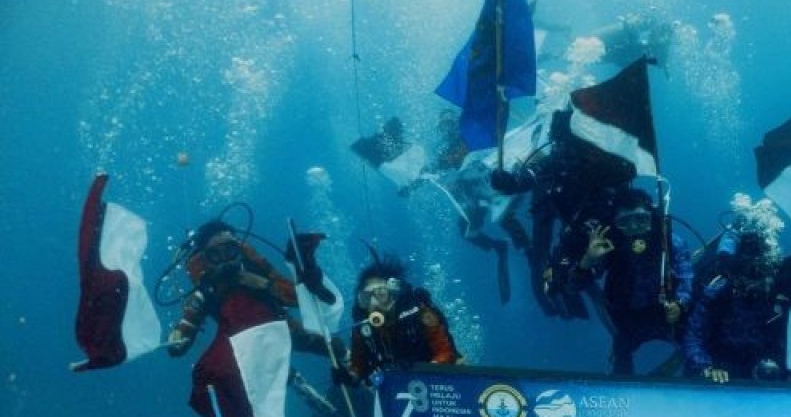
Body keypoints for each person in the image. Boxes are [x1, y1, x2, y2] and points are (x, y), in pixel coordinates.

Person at [350, 115, 531, 304]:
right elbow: (429, 171)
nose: (446, 129)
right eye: (442, 126)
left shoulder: (472, 137)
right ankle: (498, 246)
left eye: (448, 123)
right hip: (470, 198)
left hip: (490, 188)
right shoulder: (444, 150)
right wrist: (410, 186)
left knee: (503, 215)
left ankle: (526, 248)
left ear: (455, 123)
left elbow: (491, 151)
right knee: (467, 231)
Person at [490, 107, 639, 318]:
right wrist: (508, 182)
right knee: (556, 269)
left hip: (596, 221)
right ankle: (562, 300)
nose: (589, 148)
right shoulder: (563, 157)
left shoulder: (611, 161)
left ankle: (618, 317)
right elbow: (530, 176)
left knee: (613, 264)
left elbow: (628, 193)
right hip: (569, 219)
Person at [552, 185, 692, 374]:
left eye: (641, 219)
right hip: (627, 318)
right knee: (622, 356)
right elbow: (574, 288)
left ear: (652, 218)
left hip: (668, 316)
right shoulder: (609, 246)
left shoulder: (671, 242)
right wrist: (587, 260)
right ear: (615, 224)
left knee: (694, 346)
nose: (634, 228)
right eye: (625, 222)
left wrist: (680, 304)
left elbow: (686, 277)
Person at [166, 220, 334, 359]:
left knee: (306, 340)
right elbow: (188, 323)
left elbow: (299, 299)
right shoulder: (206, 288)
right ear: (206, 259)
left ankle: (346, 358)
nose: (225, 261)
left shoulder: (254, 266)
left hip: (277, 326)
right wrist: (179, 337)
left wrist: (266, 285)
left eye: (230, 251)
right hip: (240, 343)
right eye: (215, 255)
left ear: (238, 250)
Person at [683, 196, 791, 384]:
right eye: (748, 274)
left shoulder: (775, 297)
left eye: (760, 274)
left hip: (756, 368)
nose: (754, 283)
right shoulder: (717, 292)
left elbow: (785, 338)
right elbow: (694, 335)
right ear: (735, 273)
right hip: (718, 364)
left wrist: (780, 366)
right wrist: (705, 368)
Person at [334, 253, 461, 386]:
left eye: (381, 294)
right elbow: (359, 366)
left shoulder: (420, 313)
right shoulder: (363, 329)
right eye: (365, 298)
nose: (373, 304)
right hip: (395, 389)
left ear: (393, 295)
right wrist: (348, 376)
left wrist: (425, 372)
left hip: (434, 384)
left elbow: (445, 351)